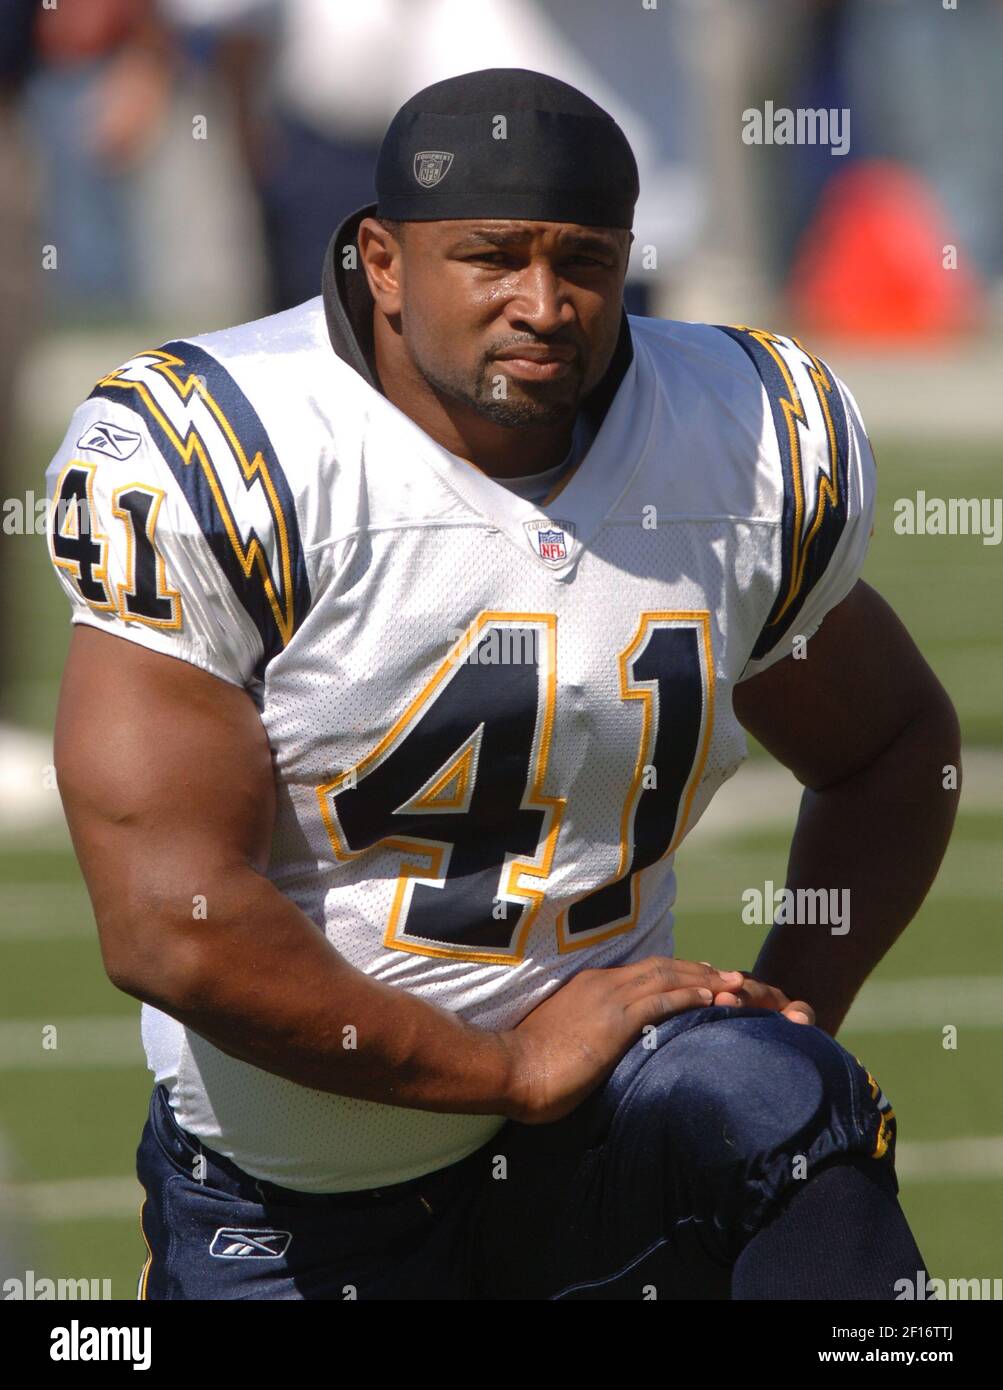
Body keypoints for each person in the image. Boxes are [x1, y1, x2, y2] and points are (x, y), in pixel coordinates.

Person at [45, 69, 959, 1300]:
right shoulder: (227, 454)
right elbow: (172, 923)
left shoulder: (736, 435)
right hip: (299, 1182)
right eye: (490, 257)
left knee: (780, 1099)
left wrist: (789, 999)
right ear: (381, 260)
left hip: (608, 1124)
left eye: (583, 261)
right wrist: (506, 1066)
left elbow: (894, 743)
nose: (544, 305)